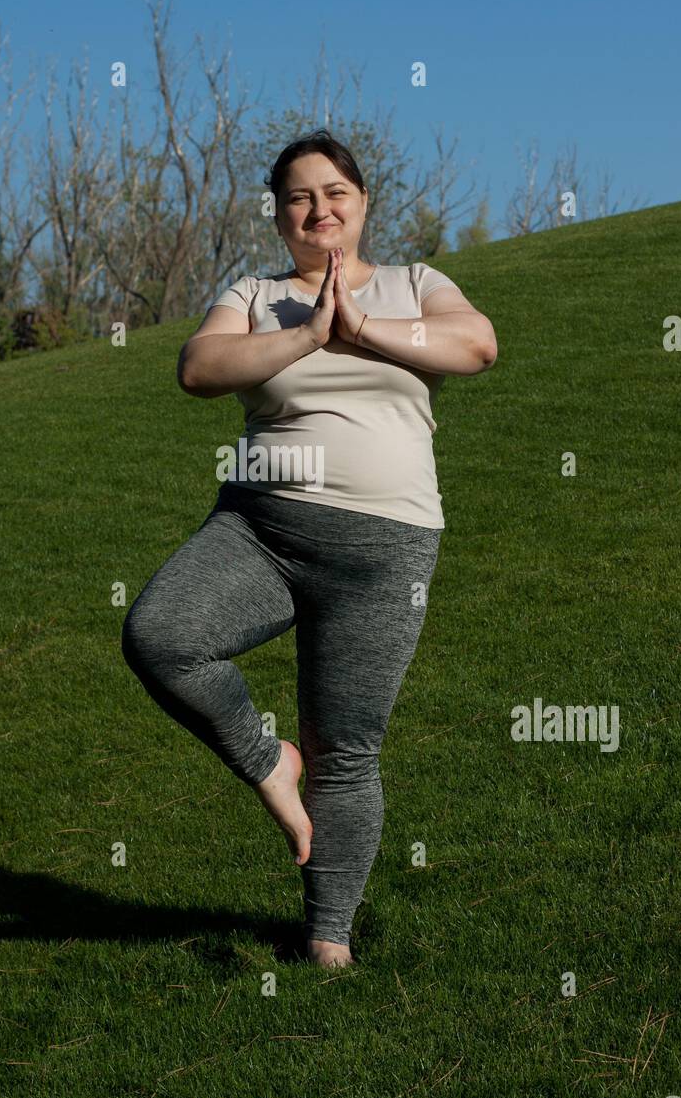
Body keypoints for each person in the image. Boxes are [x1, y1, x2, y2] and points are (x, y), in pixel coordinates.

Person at [122, 128, 497, 968]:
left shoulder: (415, 284)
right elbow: (198, 366)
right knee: (162, 635)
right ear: (281, 215)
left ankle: (328, 941)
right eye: (298, 196)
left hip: (385, 549)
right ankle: (269, 764)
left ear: (361, 204)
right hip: (261, 530)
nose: (317, 208)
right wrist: (306, 336)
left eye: (334, 192)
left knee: (348, 747)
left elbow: (477, 346)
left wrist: (361, 327)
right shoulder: (255, 294)